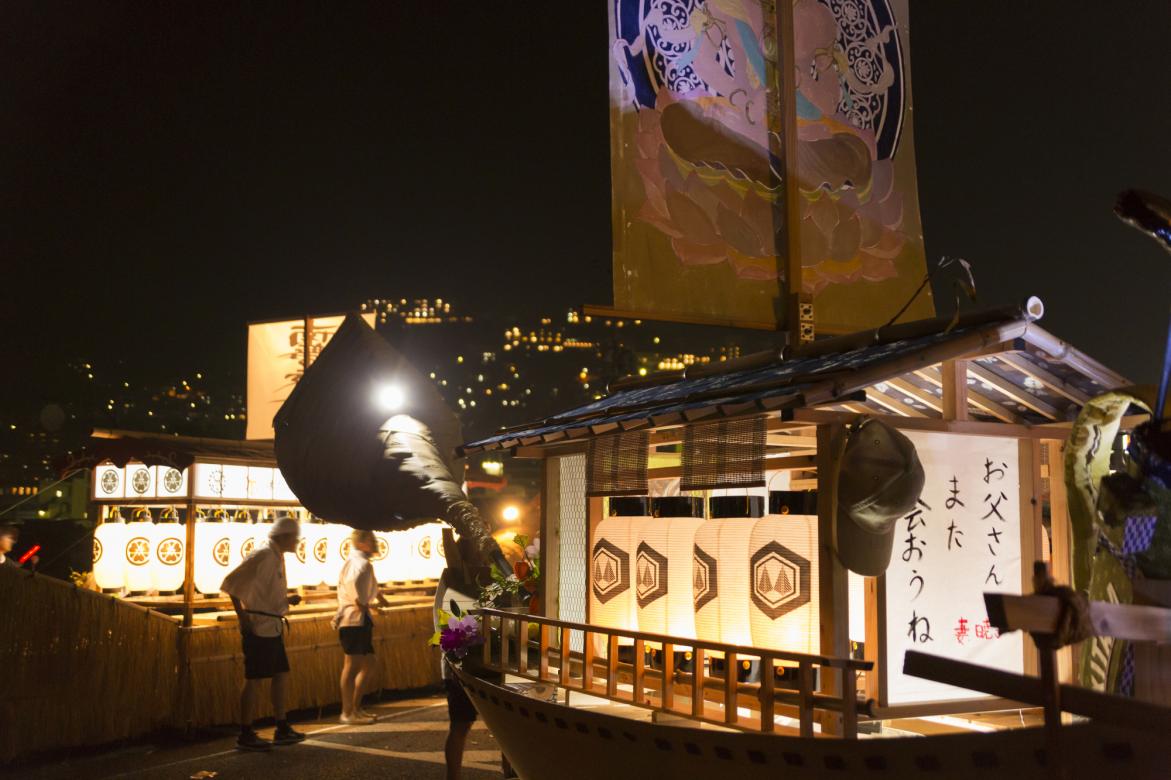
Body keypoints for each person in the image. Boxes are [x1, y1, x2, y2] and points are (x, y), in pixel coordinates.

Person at [221, 515, 306, 751]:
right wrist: (243, 617)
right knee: (254, 680)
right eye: (295, 538)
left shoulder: (276, 556)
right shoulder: (263, 555)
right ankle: (246, 732)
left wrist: (286, 600)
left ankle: (281, 726)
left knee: (280, 675)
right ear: (285, 536)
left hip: (273, 625)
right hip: (258, 626)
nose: (297, 543)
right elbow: (231, 583)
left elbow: (264, 592)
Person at [333, 529, 389, 724]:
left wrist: (376, 600)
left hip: (360, 619)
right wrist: (364, 603)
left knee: (369, 663)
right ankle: (347, 712)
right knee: (352, 665)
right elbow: (352, 584)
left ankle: (355, 708)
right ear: (362, 542)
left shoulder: (362, 562)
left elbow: (363, 586)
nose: (374, 542)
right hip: (353, 619)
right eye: (370, 539)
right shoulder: (359, 562)